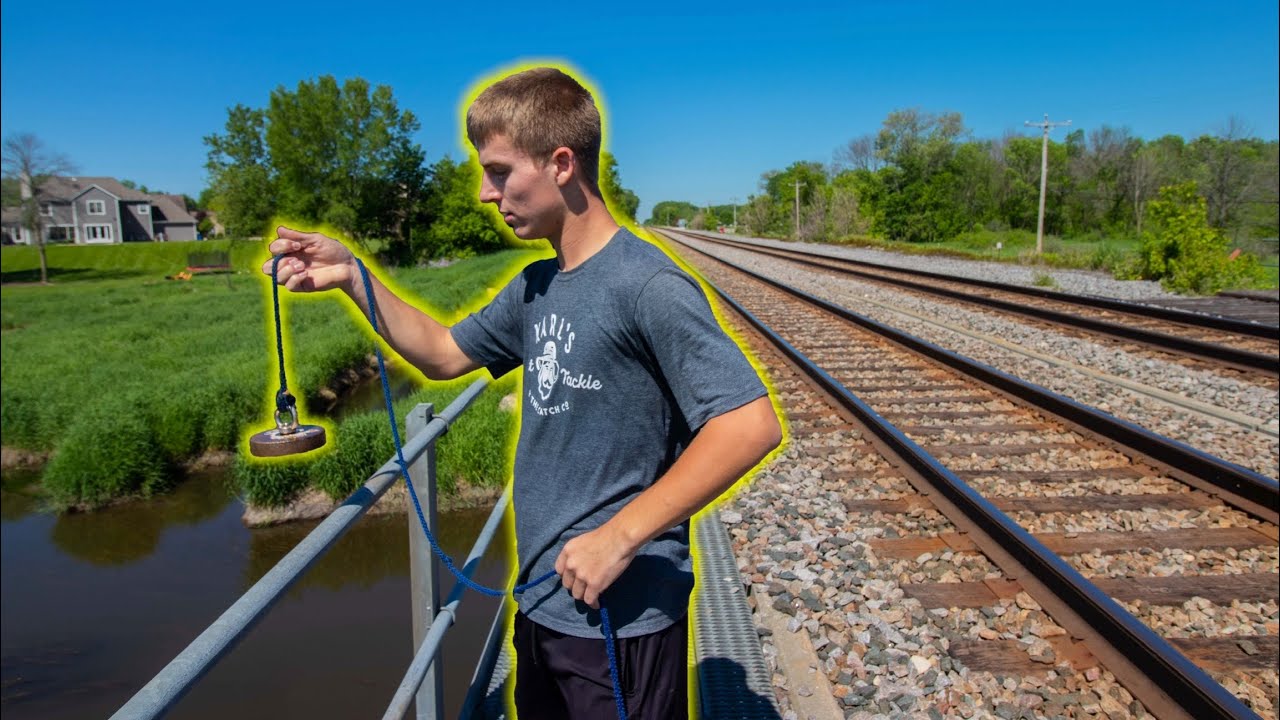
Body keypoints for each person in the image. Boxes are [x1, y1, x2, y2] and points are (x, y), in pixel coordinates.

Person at [263, 66, 781, 719]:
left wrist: (619, 537)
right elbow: (444, 352)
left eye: (500, 171)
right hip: (542, 604)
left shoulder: (646, 285)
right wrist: (351, 276)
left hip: (620, 618)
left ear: (561, 163)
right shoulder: (537, 287)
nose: (487, 193)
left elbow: (749, 424)